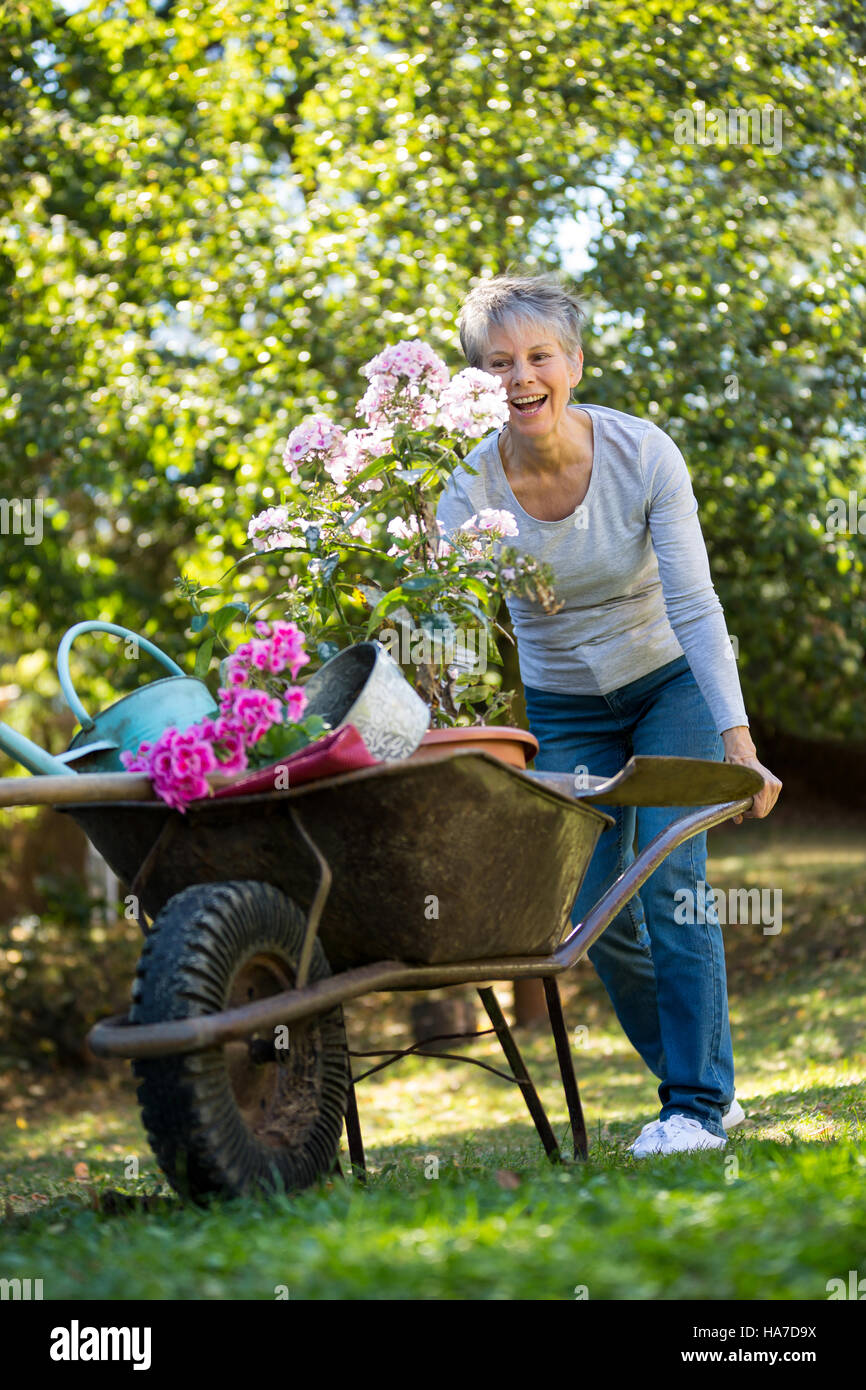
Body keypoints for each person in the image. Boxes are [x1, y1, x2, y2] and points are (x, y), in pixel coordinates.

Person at [436, 271, 782, 1156]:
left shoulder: (642, 455)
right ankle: (708, 1082)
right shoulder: (469, 485)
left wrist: (737, 738)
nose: (521, 377)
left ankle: (695, 1108)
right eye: (498, 362)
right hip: (567, 708)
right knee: (595, 911)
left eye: (538, 356)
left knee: (671, 879)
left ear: (574, 363)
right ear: (478, 379)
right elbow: (441, 615)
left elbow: (698, 606)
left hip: (671, 684)